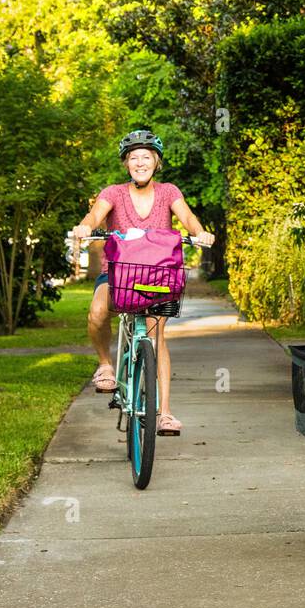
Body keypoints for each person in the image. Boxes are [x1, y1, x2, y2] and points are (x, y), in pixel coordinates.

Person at [71, 130, 215, 435]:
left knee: (156, 339)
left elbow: (187, 218)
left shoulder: (168, 192)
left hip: (156, 276)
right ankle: (105, 365)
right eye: (133, 157)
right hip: (118, 273)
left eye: (146, 157)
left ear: (156, 162)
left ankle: (165, 413)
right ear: (126, 164)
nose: (140, 162)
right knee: (97, 312)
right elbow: (95, 215)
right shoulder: (113, 193)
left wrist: (199, 231)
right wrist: (85, 226)